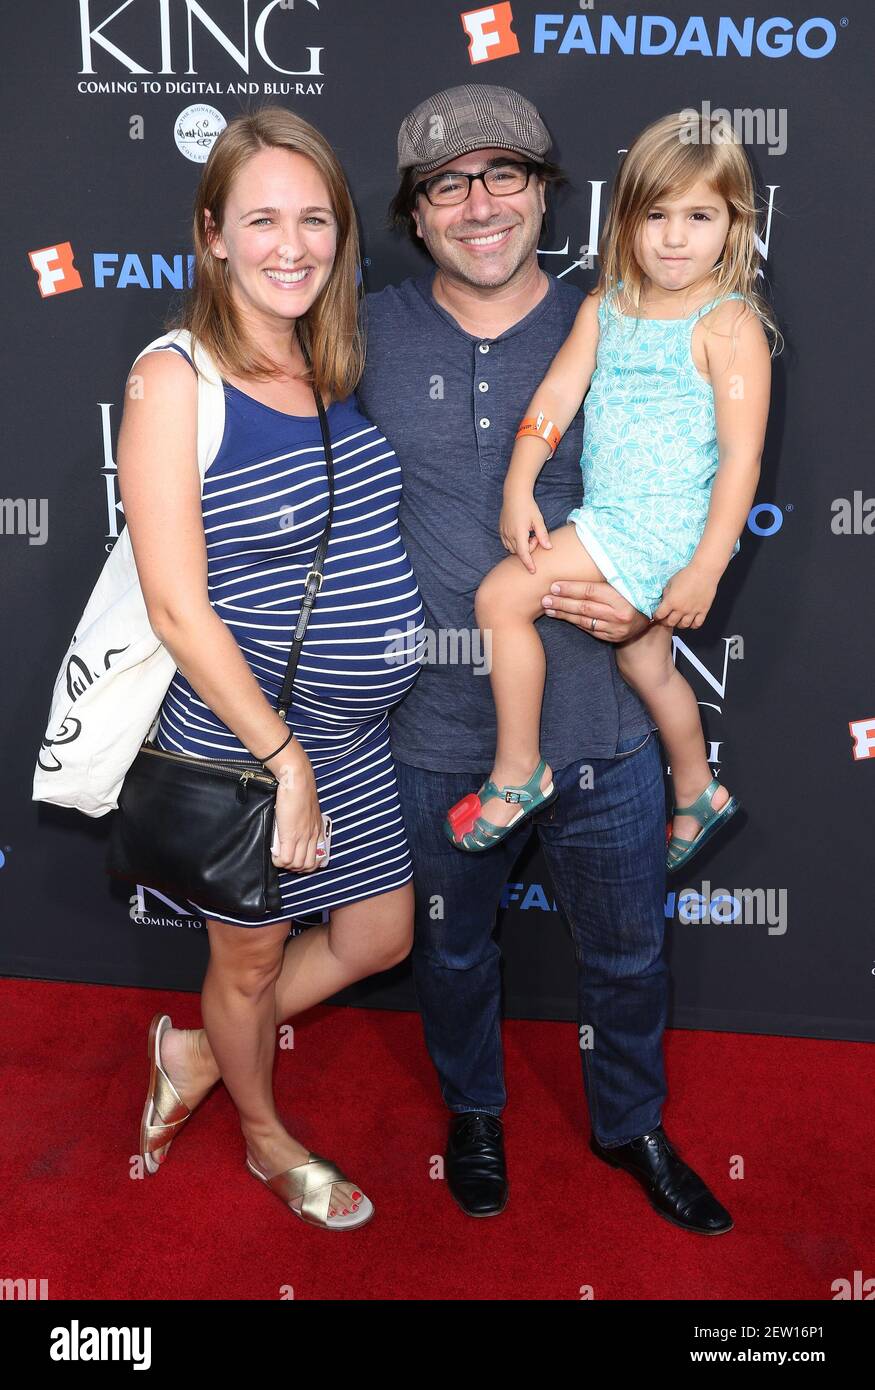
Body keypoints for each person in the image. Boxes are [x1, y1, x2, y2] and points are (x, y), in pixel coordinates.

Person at [356, 83, 734, 1232]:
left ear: (546, 195)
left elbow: (704, 474)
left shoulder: (620, 311)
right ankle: (473, 1109)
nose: (477, 204)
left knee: (626, 957)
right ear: (415, 213)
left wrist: (650, 618)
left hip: (601, 729)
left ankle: (630, 1125)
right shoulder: (363, 329)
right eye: (446, 184)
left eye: (503, 175)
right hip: (430, 728)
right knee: (453, 949)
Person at [120, 107, 423, 1231]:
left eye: (314, 218)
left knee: (377, 935)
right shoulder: (174, 380)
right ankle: (261, 1136)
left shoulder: (328, 359)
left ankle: (196, 1049)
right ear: (211, 234)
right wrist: (282, 756)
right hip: (244, 744)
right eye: (260, 220)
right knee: (246, 965)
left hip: (346, 741)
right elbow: (174, 606)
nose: (290, 244)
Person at [443, 110, 776, 872]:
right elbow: (556, 398)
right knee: (645, 666)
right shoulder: (606, 308)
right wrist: (518, 482)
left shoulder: (729, 326)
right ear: (623, 217)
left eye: (698, 217)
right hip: (612, 519)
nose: (672, 237)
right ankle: (698, 792)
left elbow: (740, 462)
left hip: (653, 532)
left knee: (500, 598)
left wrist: (703, 570)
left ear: (733, 225)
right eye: (654, 214)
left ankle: (518, 770)